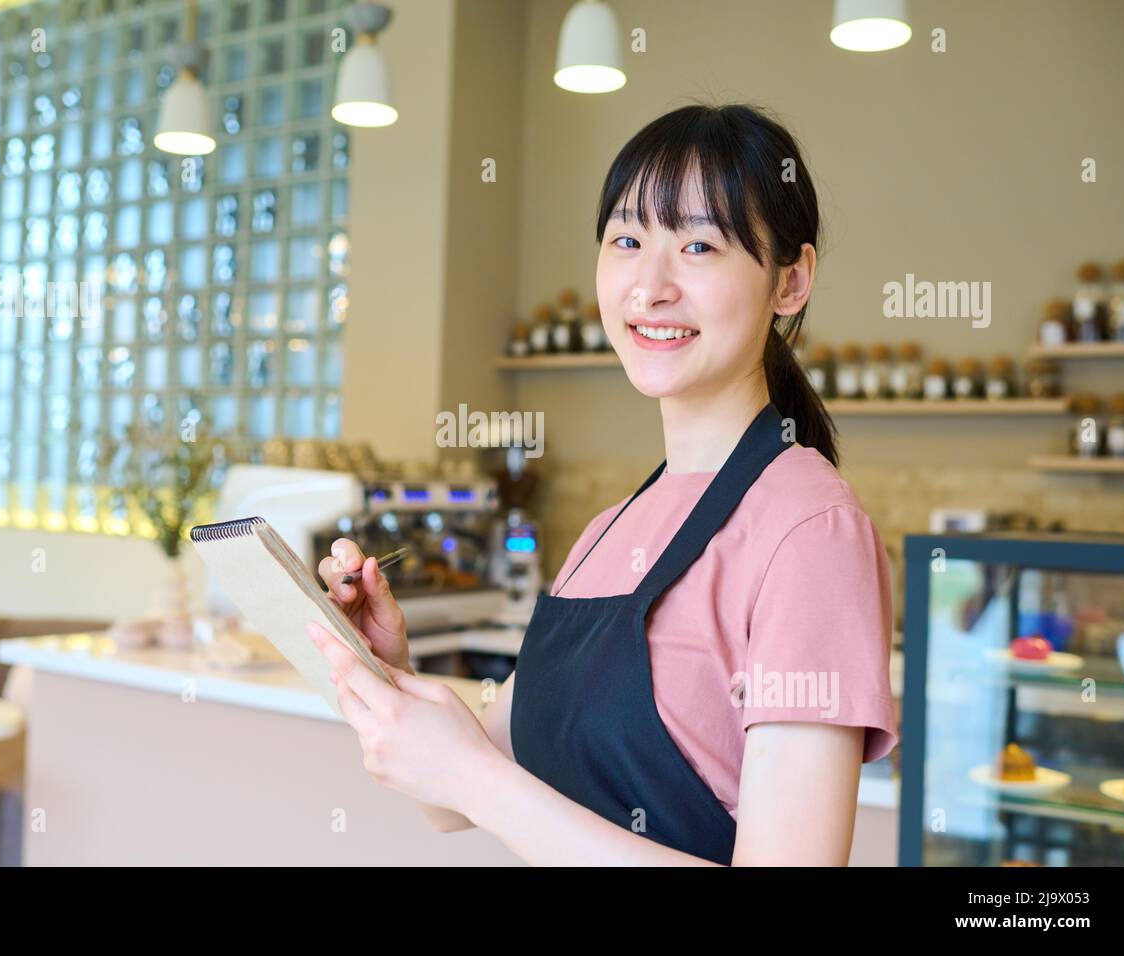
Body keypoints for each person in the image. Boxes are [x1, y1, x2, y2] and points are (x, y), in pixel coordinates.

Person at [307, 102, 898, 866]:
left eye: (698, 245)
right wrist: (383, 672)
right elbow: (451, 799)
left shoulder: (810, 530)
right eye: (626, 240)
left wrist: (473, 779)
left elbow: (479, 784)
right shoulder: (609, 529)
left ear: (791, 280)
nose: (649, 287)